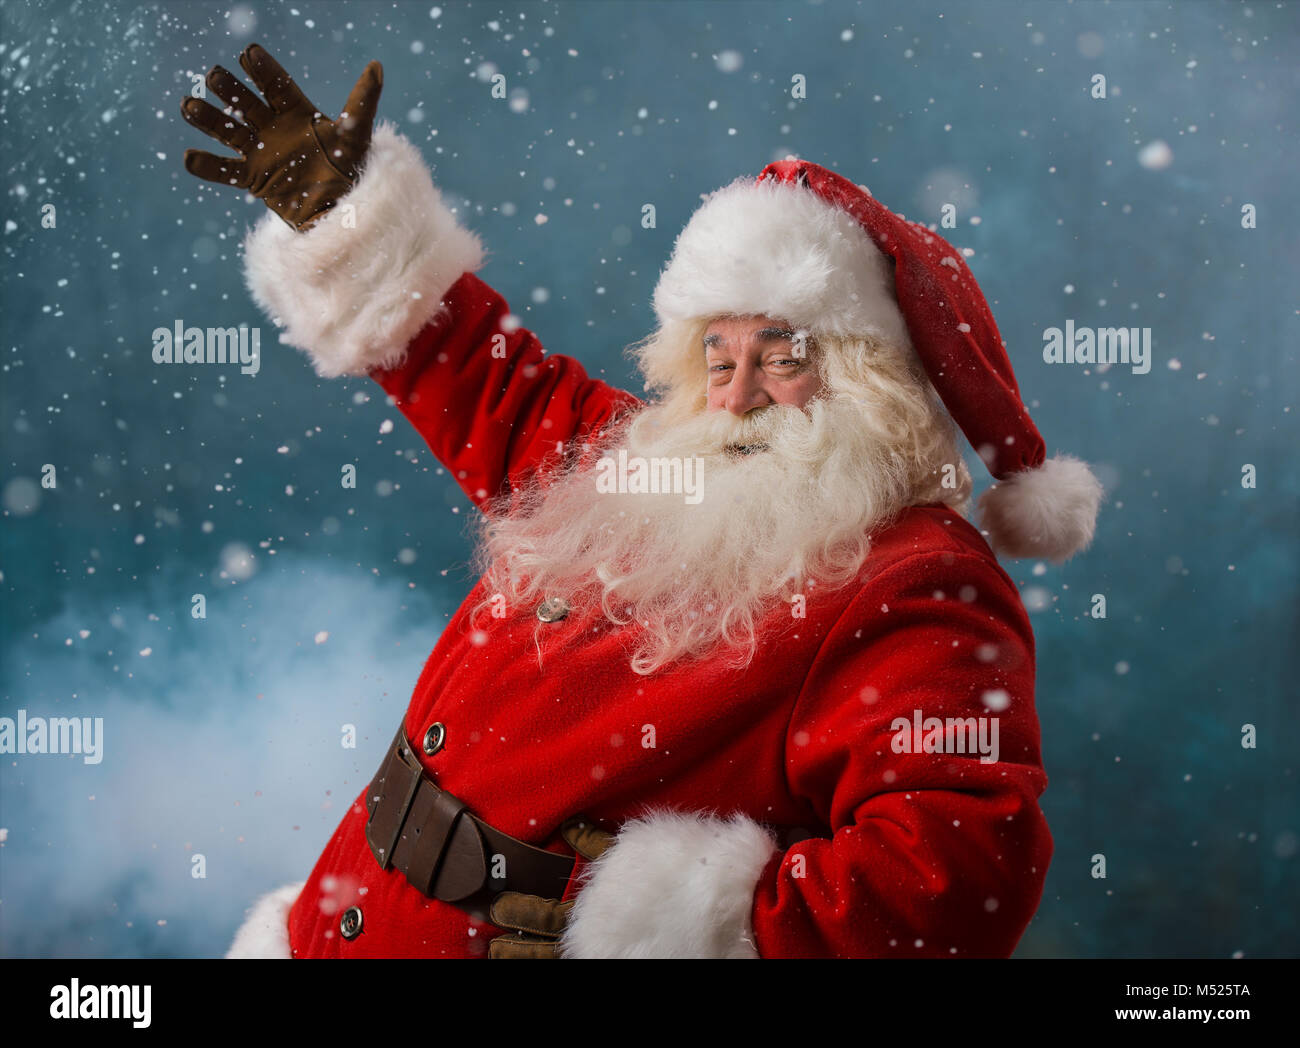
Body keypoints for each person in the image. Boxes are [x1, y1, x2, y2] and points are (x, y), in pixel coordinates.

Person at [183, 44, 1102, 959]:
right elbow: (484, 378)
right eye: (718, 354)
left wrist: (683, 923)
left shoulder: (920, 579)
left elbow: (954, 876)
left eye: (782, 356)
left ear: (868, 382)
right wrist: (344, 218)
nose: (736, 394)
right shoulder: (640, 458)